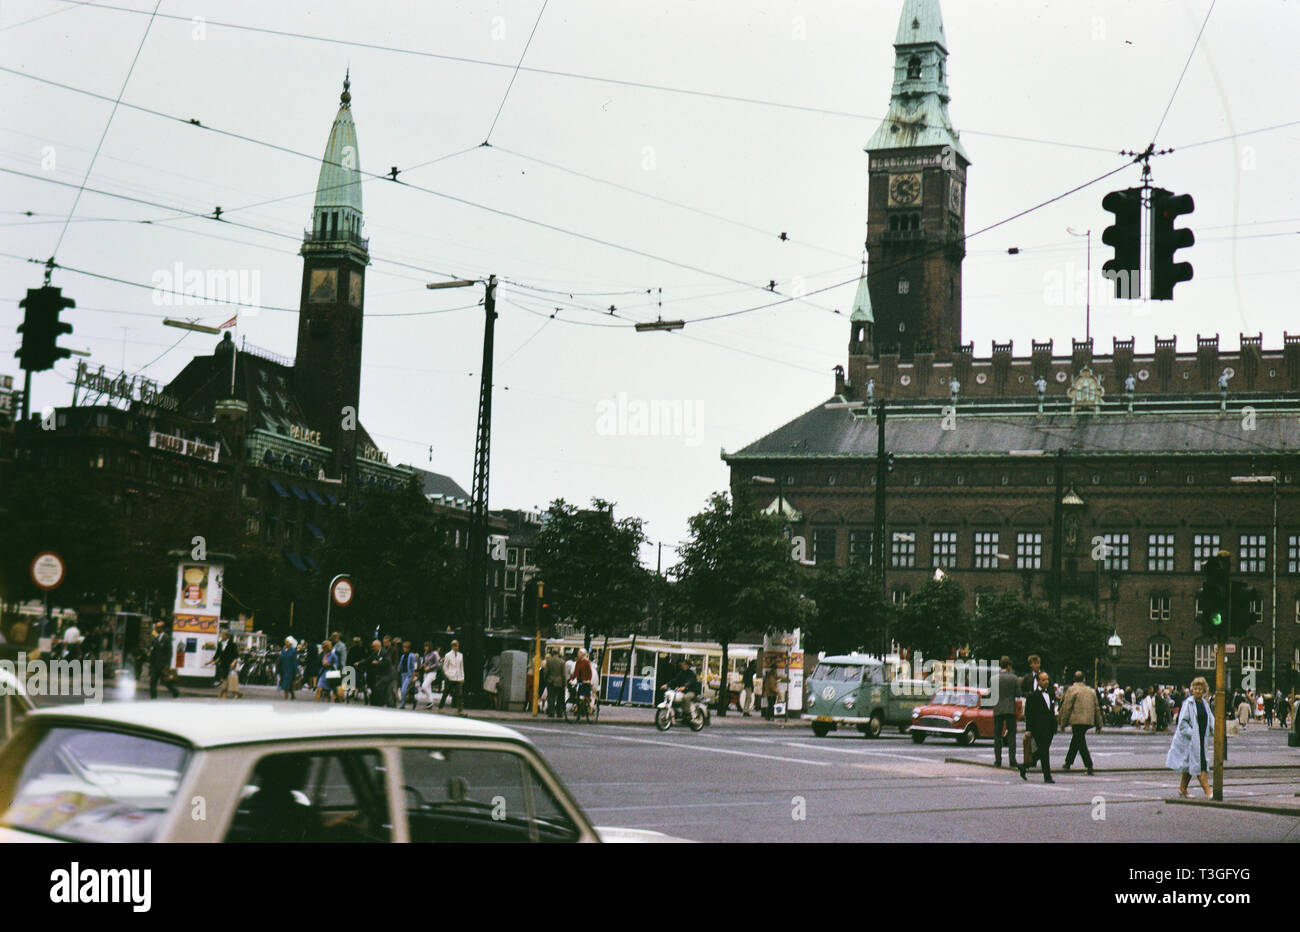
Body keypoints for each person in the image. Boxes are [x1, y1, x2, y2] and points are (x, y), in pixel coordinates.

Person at [1167, 676, 1214, 797]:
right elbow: (1182, 724)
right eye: (1196, 688)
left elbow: (1211, 720)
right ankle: (1208, 792)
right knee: (1200, 765)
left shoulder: (1205, 703)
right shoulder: (1188, 703)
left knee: (1189, 766)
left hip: (1201, 739)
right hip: (1191, 741)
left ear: (1204, 690)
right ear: (1192, 690)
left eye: (1200, 689)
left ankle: (1182, 789)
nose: (1198, 691)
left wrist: (1217, 731)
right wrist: (1193, 734)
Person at [1058, 670, 1102, 775]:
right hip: (1088, 720)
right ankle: (1068, 762)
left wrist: (1062, 723)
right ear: (1084, 679)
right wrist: (1099, 724)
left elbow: (1067, 707)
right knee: (1076, 740)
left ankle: (1089, 766)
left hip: (1077, 720)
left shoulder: (1071, 690)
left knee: (1080, 742)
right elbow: (1097, 708)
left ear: (1074, 679)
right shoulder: (1091, 691)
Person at [1019, 671, 1056, 783]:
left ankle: (1025, 766)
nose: (1046, 682)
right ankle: (1047, 777)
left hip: (1049, 728)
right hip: (1038, 728)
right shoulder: (1032, 696)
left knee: (1042, 751)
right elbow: (1029, 714)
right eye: (1043, 680)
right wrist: (1028, 730)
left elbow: (1051, 711)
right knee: (1045, 752)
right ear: (1038, 682)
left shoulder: (1050, 694)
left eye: (1047, 679)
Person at [992, 656, 1019, 769]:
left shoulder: (993, 678)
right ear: (1008, 666)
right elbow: (1018, 693)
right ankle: (1012, 760)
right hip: (1010, 708)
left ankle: (998, 760)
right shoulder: (1014, 678)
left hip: (998, 708)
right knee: (1012, 735)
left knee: (997, 736)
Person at [146, 622, 179, 699]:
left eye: (157, 627)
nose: (156, 629)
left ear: (162, 628)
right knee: (153, 681)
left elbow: (169, 652)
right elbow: (152, 650)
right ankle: (153, 697)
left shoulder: (167, 638)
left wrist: (167, 664)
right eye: (156, 627)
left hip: (163, 665)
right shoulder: (155, 638)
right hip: (155, 665)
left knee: (166, 682)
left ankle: (175, 692)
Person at [208, 629, 242, 699]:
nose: (221, 636)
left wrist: (233, 663)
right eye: (221, 635)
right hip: (223, 664)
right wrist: (210, 662)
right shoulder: (220, 644)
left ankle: (223, 693)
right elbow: (217, 654)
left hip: (230, 664)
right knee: (225, 679)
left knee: (226, 679)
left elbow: (236, 655)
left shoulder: (232, 644)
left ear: (227, 636)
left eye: (222, 635)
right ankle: (235, 693)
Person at [438, 639, 465, 715]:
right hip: (450, 677)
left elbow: (461, 667)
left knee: (459, 694)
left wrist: (462, 677)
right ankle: (440, 707)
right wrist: (448, 675)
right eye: (455, 646)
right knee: (446, 693)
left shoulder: (460, 655)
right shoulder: (448, 655)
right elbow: (445, 667)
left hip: (458, 677)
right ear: (452, 646)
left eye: (457, 645)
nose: (457, 647)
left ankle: (460, 710)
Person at [397, 641, 420, 709]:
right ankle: (412, 701)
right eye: (404, 647)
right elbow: (400, 665)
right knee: (404, 690)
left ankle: (402, 704)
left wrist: (413, 677)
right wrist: (398, 670)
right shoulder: (403, 656)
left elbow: (413, 667)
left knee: (404, 690)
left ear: (409, 648)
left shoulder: (411, 656)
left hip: (408, 675)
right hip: (403, 674)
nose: (404, 649)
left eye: (406, 647)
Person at [544, 648, 565, 718]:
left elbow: (546, 672)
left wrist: (546, 679)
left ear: (552, 653)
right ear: (558, 653)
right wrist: (564, 683)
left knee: (551, 697)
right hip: (559, 682)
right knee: (560, 698)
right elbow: (563, 674)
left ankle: (551, 712)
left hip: (551, 681)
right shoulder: (562, 661)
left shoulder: (549, 661)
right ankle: (559, 713)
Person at [572, 648, 593, 716]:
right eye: (578, 653)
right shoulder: (578, 662)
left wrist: (588, 680)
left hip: (585, 681)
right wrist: (572, 679)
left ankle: (590, 707)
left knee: (586, 696)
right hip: (580, 681)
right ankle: (578, 707)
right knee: (578, 695)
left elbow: (589, 672)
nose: (578, 654)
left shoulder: (586, 662)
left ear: (583, 654)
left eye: (579, 653)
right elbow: (575, 671)